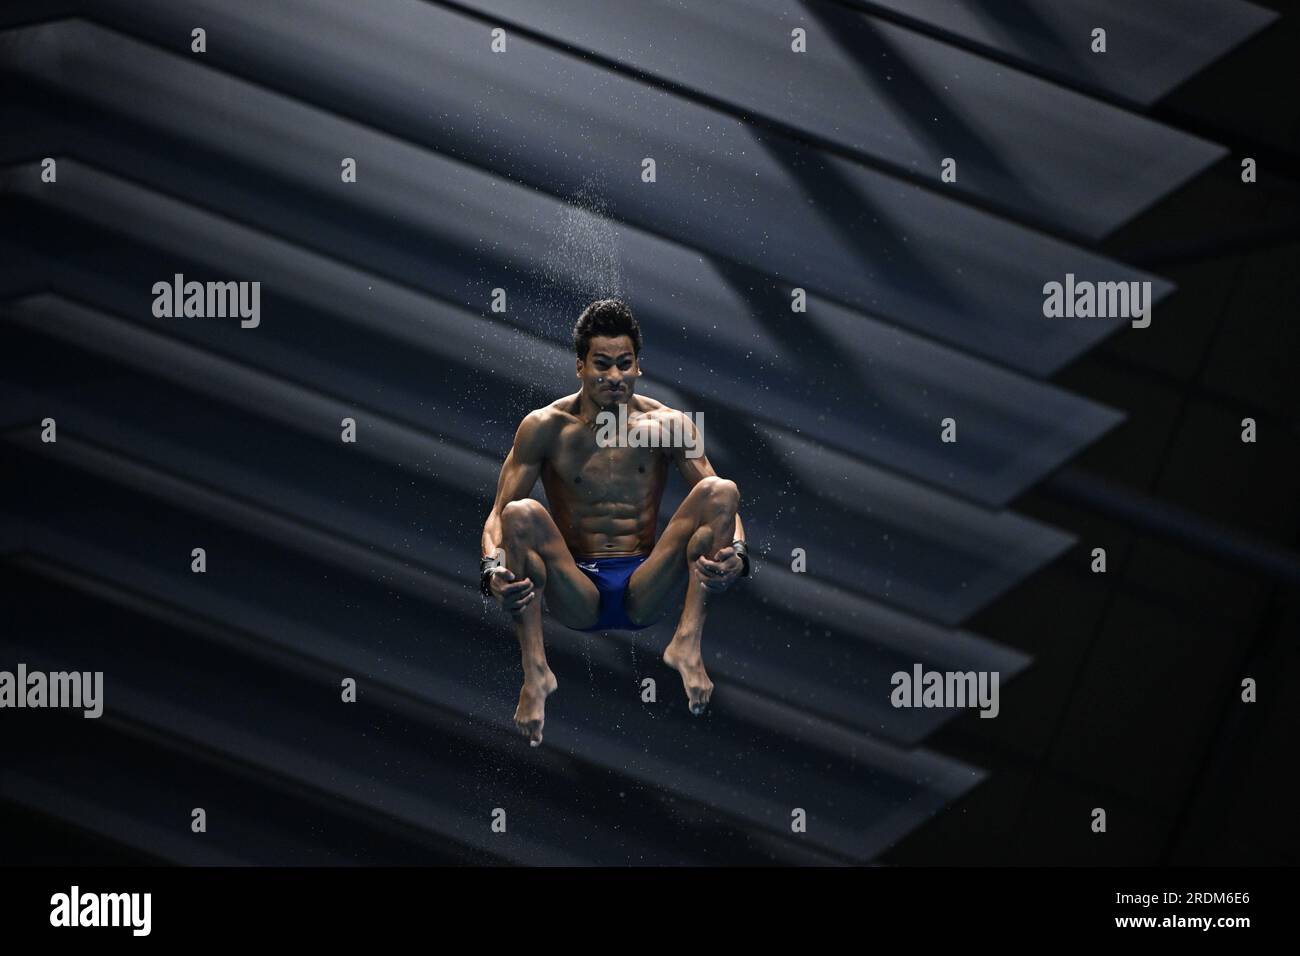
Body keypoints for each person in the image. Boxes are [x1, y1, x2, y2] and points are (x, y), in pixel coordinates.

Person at [479, 298, 748, 745]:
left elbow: (726, 510)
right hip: (575, 587)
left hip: (646, 582)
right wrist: (492, 571)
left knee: (721, 491)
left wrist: (739, 553)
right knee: (518, 514)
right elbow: (495, 518)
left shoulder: (668, 424)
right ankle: (535, 674)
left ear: (638, 366)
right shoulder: (545, 427)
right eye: (602, 364)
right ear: (580, 366)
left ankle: (687, 642)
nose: (615, 377)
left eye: (625, 364)